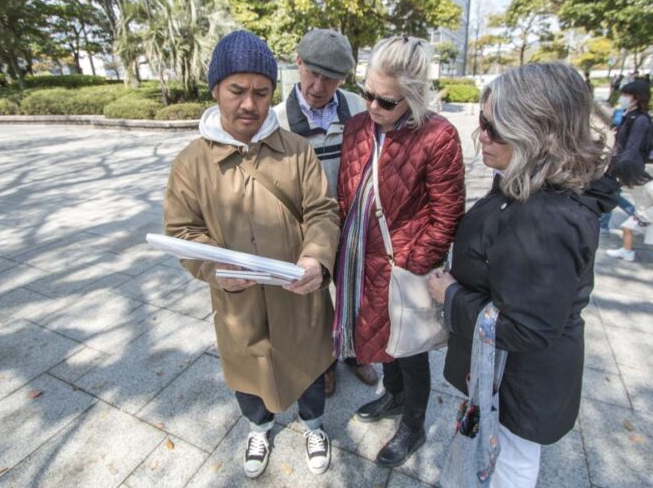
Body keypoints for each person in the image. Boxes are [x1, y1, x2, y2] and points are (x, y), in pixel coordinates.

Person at [428, 62, 617, 487]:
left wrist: (451, 295)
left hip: (521, 381)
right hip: (503, 373)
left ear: (538, 134)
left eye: (495, 127)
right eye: (481, 121)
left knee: (508, 465)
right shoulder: (527, 182)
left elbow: (527, 330)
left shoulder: (547, 218)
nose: (481, 136)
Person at [163, 30, 340, 478]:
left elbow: (322, 209)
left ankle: (314, 424)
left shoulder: (296, 151)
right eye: (237, 90)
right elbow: (183, 230)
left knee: (310, 365)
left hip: (298, 296)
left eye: (262, 92)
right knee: (247, 370)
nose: (249, 104)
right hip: (237, 300)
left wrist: (317, 259)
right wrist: (213, 268)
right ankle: (258, 428)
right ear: (216, 90)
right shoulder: (191, 163)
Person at [334, 35, 465, 468]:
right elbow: (345, 191)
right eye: (367, 93)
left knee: (409, 347)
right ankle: (392, 395)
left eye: (386, 101)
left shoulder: (438, 136)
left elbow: (447, 212)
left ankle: (413, 422)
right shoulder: (356, 126)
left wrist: (414, 260)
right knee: (377, 337)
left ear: (413, 96)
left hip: (403, 262)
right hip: (359, 258)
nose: (372, 105)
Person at [274, 28, 377, 396]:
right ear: (297, 62)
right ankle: (326, 361)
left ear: (344, 78)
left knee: (356, 294)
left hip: (352, 227)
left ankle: (357, 353)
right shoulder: (277, 122)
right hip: (306, 234)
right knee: (315, 301)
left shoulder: (359, 108)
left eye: (330, 77)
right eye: (312, 73)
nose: (318, 85)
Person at [600, 80, 651, 235]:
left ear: (636, 97)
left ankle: (640, 218)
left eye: (626, 95)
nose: (623, 98)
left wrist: (617, 168)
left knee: (611, 194)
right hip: (617, 162)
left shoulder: (641, 119)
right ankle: (638, 218)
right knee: (611, 194)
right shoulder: (627, 115)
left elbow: (632, 147)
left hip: (624, 165)